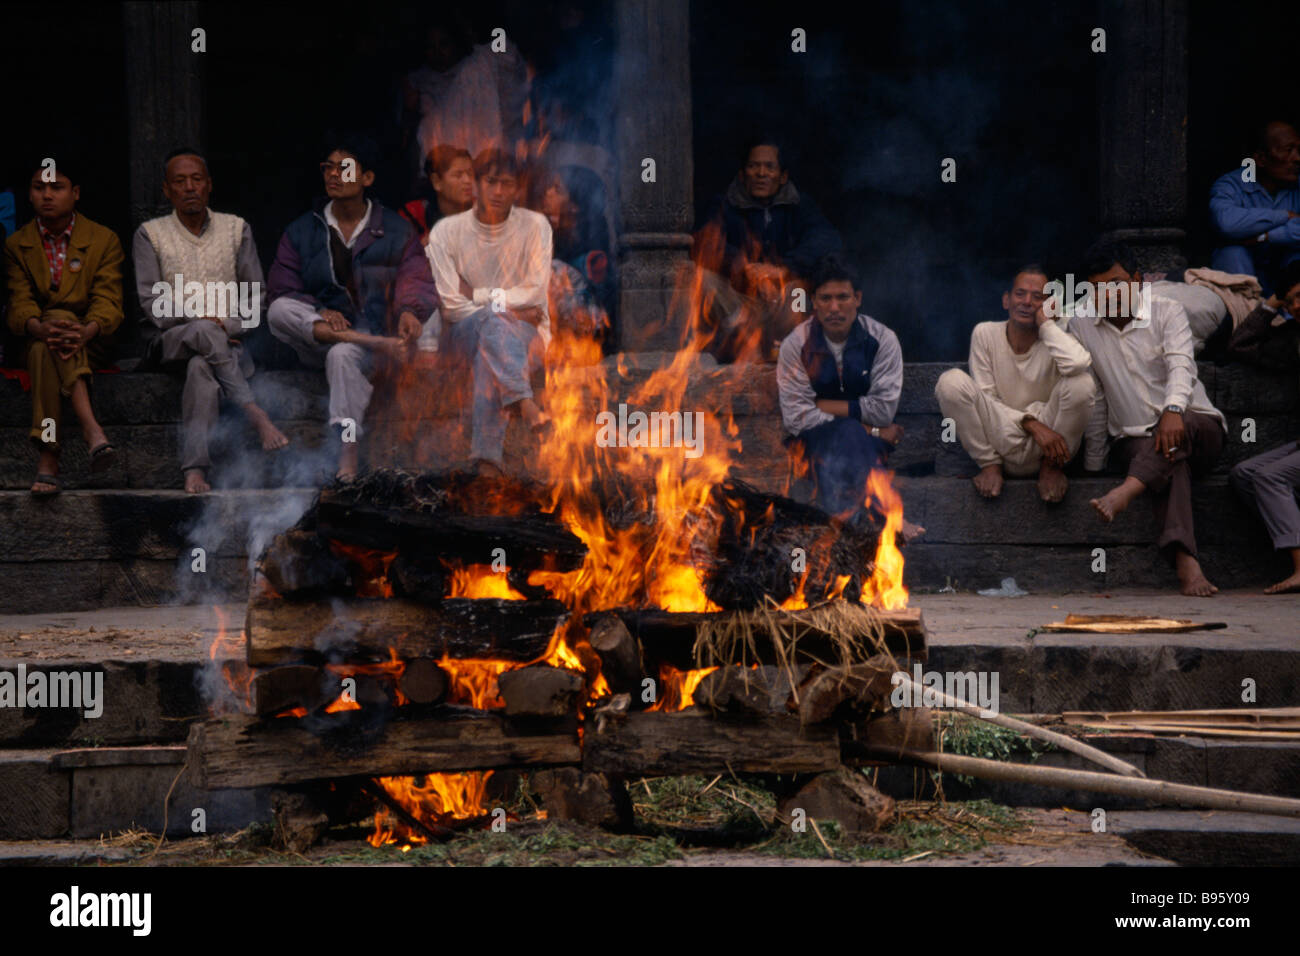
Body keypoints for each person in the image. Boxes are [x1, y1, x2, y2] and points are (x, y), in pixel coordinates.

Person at [266, 139, 438, 479]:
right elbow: (282, 288)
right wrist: (316, 309)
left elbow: (415, 277)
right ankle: (360, 340)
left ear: (367, 178)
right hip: (318, 337)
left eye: (343, 168)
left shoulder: (396, 229)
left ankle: (348, 449)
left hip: (376, 340)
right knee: (277, 311)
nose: (333, 174)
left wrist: (408, 311)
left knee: (343, 354)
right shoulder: (303, 230)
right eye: (327, 167)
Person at [1071, 239, 1227, 597]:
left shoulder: (1166, 310)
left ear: (1137, 280)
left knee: (1177, 430)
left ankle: (1127, 490)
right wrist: (1095, 464)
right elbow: (1092, 394)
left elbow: (1181, 364)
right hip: (1135, 441)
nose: (1106, 296)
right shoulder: (1081, 324)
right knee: (1170, 463)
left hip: (1196, 426)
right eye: (1096, 289)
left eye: (1115, 284)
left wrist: (1173, 410)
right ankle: (1187, 562)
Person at [133, 148, 289, 493]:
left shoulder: (236, 229)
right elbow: (152, 304)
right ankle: (255, 412)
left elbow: (255, 298)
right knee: (202, 331)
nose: (189, 187)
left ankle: (195, 470)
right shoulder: (150, 234)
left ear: (209, 185)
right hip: (172, 342)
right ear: (166, 190)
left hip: (226, 345)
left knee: (201, 370)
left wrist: (227, 327)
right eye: (179, 181)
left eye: (197, 179)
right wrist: (201, 321)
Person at [426, 148, 552, 475]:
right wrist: (511, 311)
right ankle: (523, 400)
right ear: (476, 185)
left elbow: (536, 293)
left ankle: (487, 467)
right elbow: (452, 306)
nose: (498, 192)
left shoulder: (536, 226)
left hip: (527, 338)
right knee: (492, 325)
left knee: (490, 350)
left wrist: (481, 295)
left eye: (507, 184)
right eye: (490, 181)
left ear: (518, 189)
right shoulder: (446, 233)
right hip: (461, 338)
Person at [4, 157, 123, 496]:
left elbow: (108, 301)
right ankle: (91, 430)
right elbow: (19, 302)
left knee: (57, 334)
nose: (47, 195)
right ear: (29, 194)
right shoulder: (17, 245)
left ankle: (48, 456)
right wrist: (38, 327)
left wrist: (86, 330)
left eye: (56, 187)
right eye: (39, 187)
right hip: (37, 338)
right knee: (44, 347)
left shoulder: (103, 239)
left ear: (76, 193)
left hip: (91, 339)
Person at [935, 266, 1095, 502]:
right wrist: (1030, 424)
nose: (1027, 302)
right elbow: (987, 399)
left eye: (1038, 297)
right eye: (1020, 294)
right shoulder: (985, 333)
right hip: (1000, 440)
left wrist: (1047, 325)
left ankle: (1052, 469)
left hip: (1049, 449)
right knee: (950, 382)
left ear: (1049, 304)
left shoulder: (1055, 339)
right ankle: (989, 467)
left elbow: (1079, 364)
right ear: (1006, 300)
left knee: (1082, 383)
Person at [693, 136, 843, 361]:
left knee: (798, 293)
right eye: (753, 166)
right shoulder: (724, 205)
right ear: (743, 174)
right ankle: (743, 337)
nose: (761, 173)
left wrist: (781, 271)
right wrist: (746, 270)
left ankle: (786, 351)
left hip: (781, 303)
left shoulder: (800, 206)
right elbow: (706, 243)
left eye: (769, 167)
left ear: (783, 176)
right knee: (700, 279)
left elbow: (827, 240)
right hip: (740, 304)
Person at [776, 256, 906, 518]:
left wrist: (824, 406)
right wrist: (870, 429)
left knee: (849, 442)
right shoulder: (796, 344)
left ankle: (845, 531)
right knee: (846, 437)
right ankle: (889, 517)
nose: (834, 307)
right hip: (809, 447)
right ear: (814, 302)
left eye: (843, 297)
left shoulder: (882, 340)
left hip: (870, 447)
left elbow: (882, 411)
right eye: (825, 298)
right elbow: (797, 418)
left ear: (857, 298)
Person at [1226, 262, 1300, 593]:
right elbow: (1240, 345)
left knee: (1272, 476)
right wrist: (1270, 305)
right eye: (1290, 301)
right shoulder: (1293, 342)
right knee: (1244, 474)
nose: (1296, 306)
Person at [1209, 120, 1300, 296]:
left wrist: (1265, 236)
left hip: (1283, 275)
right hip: (1243, 271)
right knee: (1232, 252)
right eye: (1288, 150)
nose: (1297, 158)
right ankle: (1248, 318)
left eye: (1298, 150)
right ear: (1261, 159)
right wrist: (1284, 216)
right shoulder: (1233, 184)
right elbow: (1227, 223)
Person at [400, 144, 474, 244]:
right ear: (437, 182)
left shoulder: (484, 211)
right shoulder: (413, 214)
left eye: (470, 173)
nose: (468, 180)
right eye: (458, 175)